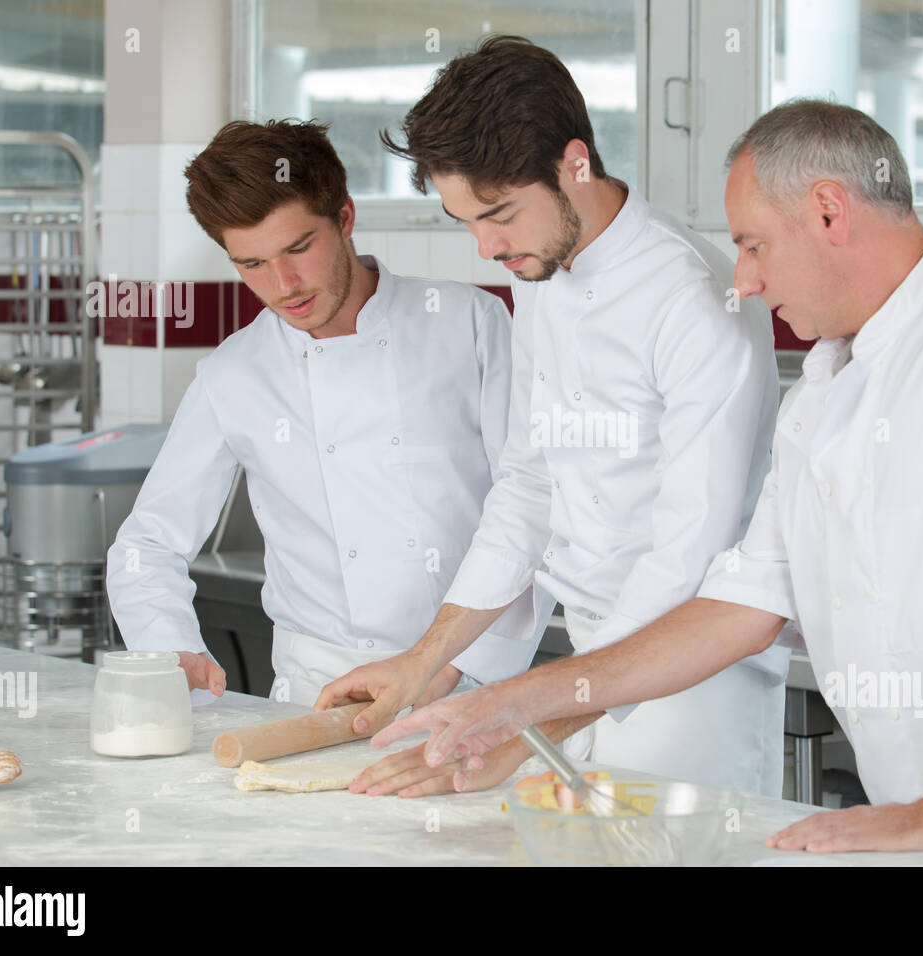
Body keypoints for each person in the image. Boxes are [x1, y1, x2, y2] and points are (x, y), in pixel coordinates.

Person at [374, 99, 923, 866]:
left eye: (751, 244)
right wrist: (517, 704)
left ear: (830, 211)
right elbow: (738, 607)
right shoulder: (823, 395)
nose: (741, 281)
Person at [317, 35, 786, 798]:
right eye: (465, 221)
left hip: (692, 680)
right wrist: (423, 663)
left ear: (575, 163)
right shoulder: (539, 271)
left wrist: (530, 726)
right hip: (583, 652)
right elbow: (530, 484)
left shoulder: (695, 301)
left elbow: (687, 555)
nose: (486, 246)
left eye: (499, 214)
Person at [106, 119, 543, 721]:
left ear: (344, 218)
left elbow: (534, 507)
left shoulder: (467, 323)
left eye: (298, 248)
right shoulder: (234, 373)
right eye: (252, 263)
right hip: (311, 703)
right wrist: (169, 646)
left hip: (468, 691)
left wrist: (448, 668)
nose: (283, 286)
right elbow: (147, 543)